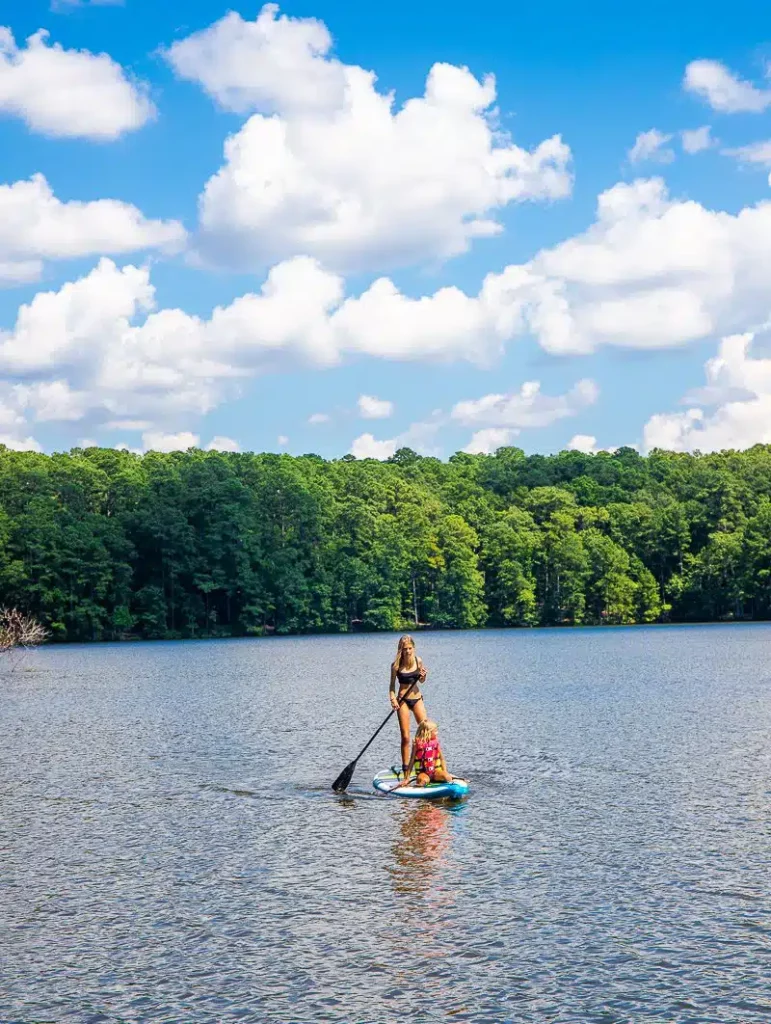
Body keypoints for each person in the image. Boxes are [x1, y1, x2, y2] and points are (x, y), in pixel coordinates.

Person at [389, 634, 428, 774]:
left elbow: (422, 681)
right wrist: (392, 699)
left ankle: (426, 766)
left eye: (410, 648)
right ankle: (406, 770)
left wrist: (423, 676)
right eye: (405, 649)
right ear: (400, 649)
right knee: (405, 736)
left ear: (414, 648)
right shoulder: (395, 666)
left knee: (426, 731)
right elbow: (392, 687)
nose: (408, 651)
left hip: (417, 698)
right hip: (402, 701)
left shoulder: (418, 661)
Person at [395, 720, 454, 788]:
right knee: (424, 780)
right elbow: (412, 761)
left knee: (446, 777)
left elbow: (442, 759)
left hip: (435, 772)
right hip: (423, 773)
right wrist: (407, 778)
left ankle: (450, 786)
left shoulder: (435, 742)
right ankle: (420, 787)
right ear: (428, 732)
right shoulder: (416, 744)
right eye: (435, 731)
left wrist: (445, 772)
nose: (437, 733)